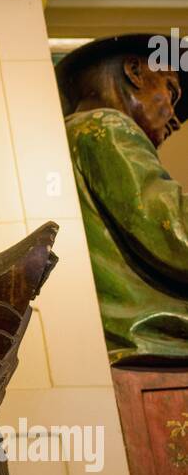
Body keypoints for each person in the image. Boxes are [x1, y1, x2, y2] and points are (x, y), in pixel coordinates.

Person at [58, 33, 188, 362]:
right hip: (149, 340)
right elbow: (171, 232)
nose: (173, 115)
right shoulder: (109, 126)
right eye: (170, 90)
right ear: (133, 71)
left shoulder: (71, 136)